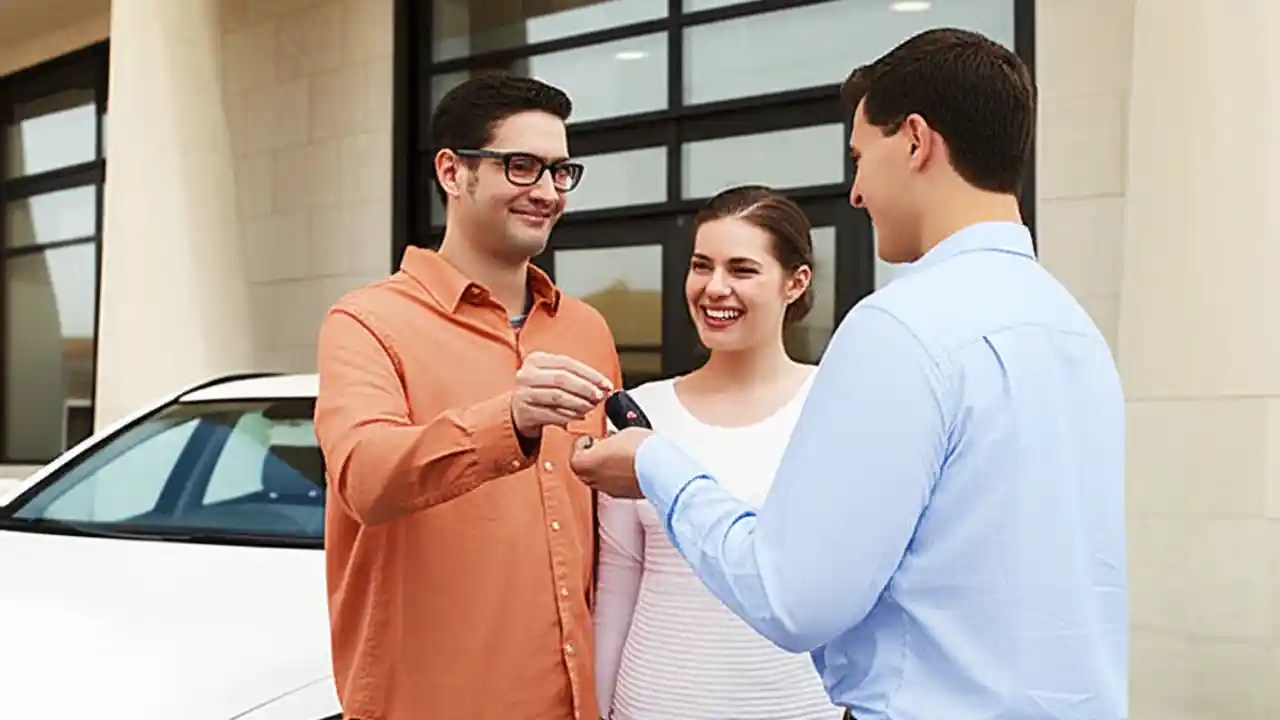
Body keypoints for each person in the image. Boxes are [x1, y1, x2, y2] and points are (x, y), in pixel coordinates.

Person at [570, 27, 1126, 720]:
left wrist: (656, 463)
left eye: (860, 157)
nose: (856, 194)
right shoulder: (1074, 331)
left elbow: (792, 599)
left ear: (916, 141)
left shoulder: (899, 327)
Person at [313, 71, 621, 720]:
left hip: (575, 703)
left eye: (560, 172)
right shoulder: (366, 322)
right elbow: (364, 478)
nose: (546, 192)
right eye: (521, 166)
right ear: (452, 172)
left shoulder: (585, 329)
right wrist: (508, 419)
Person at [593, 185, 843, 720]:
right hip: (652, 703)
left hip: (797, 708)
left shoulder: (837, 406)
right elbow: (617, 584)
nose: (714, 288)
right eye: (701, 266)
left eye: (742, 269)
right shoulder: (638, 412)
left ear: (796, 283)